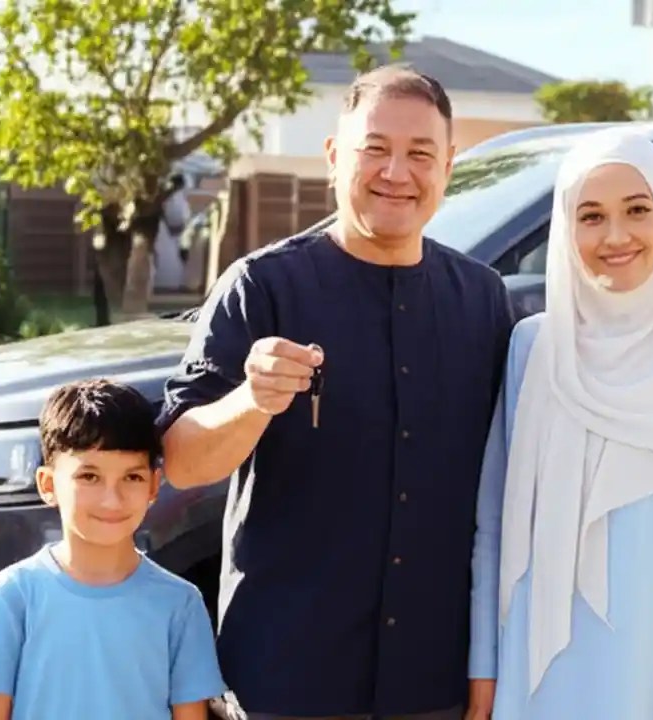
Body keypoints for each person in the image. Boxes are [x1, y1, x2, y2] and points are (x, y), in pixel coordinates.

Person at [156, 65, 515, 720]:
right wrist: (252, 401)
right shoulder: (262, 287)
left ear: (448, 166)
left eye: (420, 154)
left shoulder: (483, 301)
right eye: (375, 149)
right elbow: (181, 461)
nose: (396, 173)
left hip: (433, 680)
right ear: (333, 156)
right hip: (289, 676)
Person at [467, 128, 653, 720]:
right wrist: (483, 673)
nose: (616, 235)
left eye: (637, 210)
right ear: (566, 229)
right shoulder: (533, 348)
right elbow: (494, 523)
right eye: (591, 215)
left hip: (651, 679)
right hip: (532, 677)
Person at [0, 379, 225, 720]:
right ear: (48, 484)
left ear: (153, 486)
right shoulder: (13, 595)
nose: (111, 500)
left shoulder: (180, 604)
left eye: (132, 477)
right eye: (89, 476)